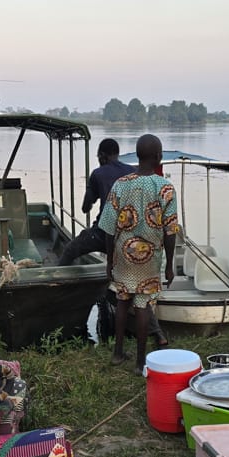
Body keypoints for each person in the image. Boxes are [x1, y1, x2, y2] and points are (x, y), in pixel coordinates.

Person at [60, 138, 168, 347]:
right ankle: (159, 335)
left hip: (104, 234)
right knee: (141, 291)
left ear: (101, 155)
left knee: (72, 248)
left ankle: (58, 285)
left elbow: (85, 206)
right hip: (130, 238)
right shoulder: (132, 171)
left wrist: (92, 194)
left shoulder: (98, 173)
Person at [98, 134, 178, 373]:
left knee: (122, 302)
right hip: (149, 258)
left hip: (123, 255)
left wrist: (109, 260)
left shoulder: (121, 184)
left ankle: (118, 353)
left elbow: (109, 228)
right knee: (143, 306)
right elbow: (170, 230)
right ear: (158, 157)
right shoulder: (165, 188)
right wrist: (170, 264)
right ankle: (140, 362)